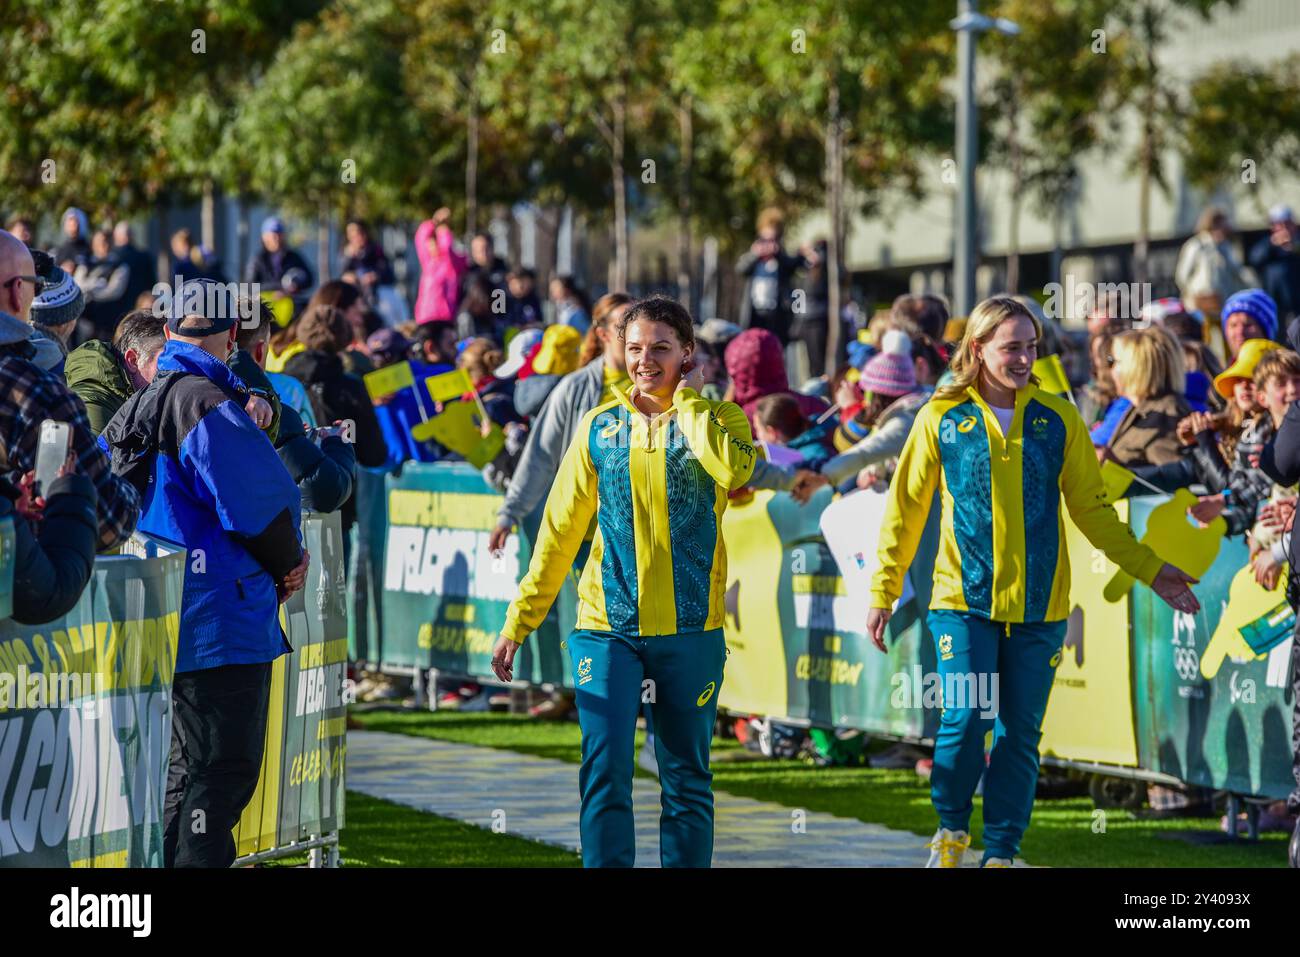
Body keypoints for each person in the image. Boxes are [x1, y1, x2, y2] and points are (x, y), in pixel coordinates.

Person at [865, 296, 1200, 868]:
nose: (1024, 358)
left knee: (1019, 737)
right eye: (1011, 347)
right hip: (960, 603)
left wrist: (1151, 569)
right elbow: (905, 510)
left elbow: (1093, 512)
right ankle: (951, 830)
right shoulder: (940, 416)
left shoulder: (1058, 419)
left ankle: (1002, 852)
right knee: (966, 718)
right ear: (978, 349)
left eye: (1031, 346)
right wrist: (883, 591)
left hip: (1042, 610)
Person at [490, 295, 757, 868]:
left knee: (686, 776)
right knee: (605, 766)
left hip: (692, 630)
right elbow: (559, 534)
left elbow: (733, 472)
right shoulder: (599, 426)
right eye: (635, 348)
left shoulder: (720, 420)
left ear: (688, 353)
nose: (645, 361)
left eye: (661, 348)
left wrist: (685, 401)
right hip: (606, 627)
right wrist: (520, 621)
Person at [99, 278, 309, 868]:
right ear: (234, 334)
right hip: (218, 619)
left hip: (173, 612)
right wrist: (289, 561)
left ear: (167, 331)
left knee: (191, 778)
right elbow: (255, 502)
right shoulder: (202, 402)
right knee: (220, 776)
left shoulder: (152, 397)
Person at [488, 293, 634, 554]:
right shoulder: (575, 388)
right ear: (602, 334)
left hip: (640, 541)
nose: (634, 333)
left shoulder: (660, 388)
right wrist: (509, 513)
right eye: (624, 325)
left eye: (639, 324)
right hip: (586, 538)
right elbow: (542, 454)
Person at [1101, 326, 1193, 468]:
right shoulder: (1140, 407)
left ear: (1133, 366)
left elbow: (1173, 477)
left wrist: (1113, 464)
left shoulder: (1167, 411)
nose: (1110, 369)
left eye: (1112, 361)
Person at [65, 309, 167, 434]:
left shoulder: (131, 396)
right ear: (133, 360)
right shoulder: (95, 406)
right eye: (165, 363)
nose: (175, 372)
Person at [735, 208, 807, 346]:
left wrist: (778, 254)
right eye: (764, 240)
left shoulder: (782, 261)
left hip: (776, 317)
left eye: (772, 240)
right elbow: (741, 269)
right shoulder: (754, 259)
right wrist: (755, 254)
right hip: (754, 315)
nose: (767, 244)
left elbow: (793, 266)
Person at [1175, 206, 1248, 318]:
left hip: (1221, 304)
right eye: (1219, 225)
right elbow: (1182, 276)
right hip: (1198, 306)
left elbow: (1237, 272)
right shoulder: (1196, 245)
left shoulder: (1226, 247)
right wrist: (1194, 296)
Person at [414, 207, 466, 324]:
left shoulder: (451, 264)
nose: (430, 246)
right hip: (427, 317)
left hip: (447, 316)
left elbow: (447, 248)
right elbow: (422, 234)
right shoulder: (428, 263)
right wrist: (435, 221)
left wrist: (443, 230)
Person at [1249, 205, 1300, 325]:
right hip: (1275, 303)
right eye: (1279, 224)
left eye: (1287, 224)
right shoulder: (1266, 245)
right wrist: (1273, 244)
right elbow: (1254, 260)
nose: (1284, 228)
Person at [245, 216, 314, 292]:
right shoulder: (258, 259)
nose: (277, 239)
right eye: (273, 235)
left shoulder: (293, 257)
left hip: (291, 301)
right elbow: (249, 286)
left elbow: (309, 279)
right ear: (264, 237)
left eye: (279, 234)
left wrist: (296, 285)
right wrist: (280, 286)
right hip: (265, 302)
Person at [1220, 288, 1279, 362]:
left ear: (1265, 331)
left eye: (1247, 325)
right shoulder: (1222, 372)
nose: (1240, 332)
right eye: (1233, 325)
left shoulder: (1283, 371)